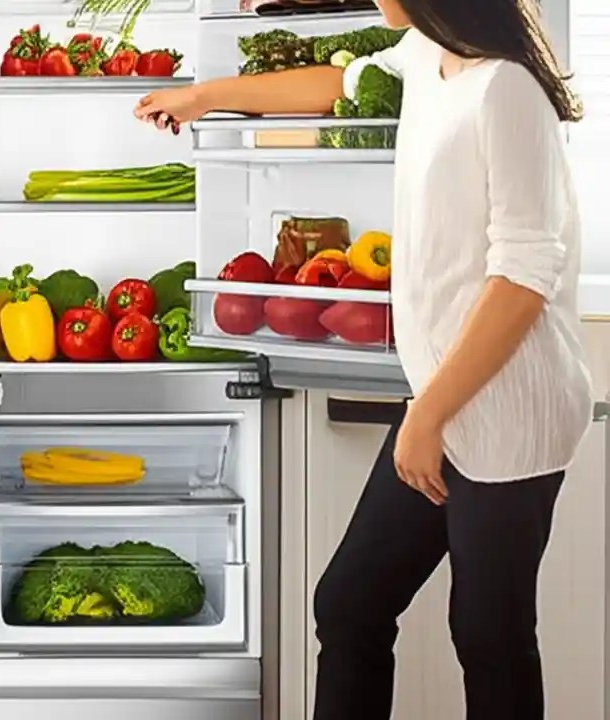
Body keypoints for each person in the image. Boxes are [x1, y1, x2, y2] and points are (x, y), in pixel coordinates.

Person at [135, 1, 593, 718]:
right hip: (444, 402)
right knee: (349, 604)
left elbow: (523, 278)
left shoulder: (507, 89)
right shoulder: (427, 54)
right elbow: (334, 84)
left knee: (489, 637)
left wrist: (427, 415)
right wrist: (205, 97)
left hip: (508, 409)